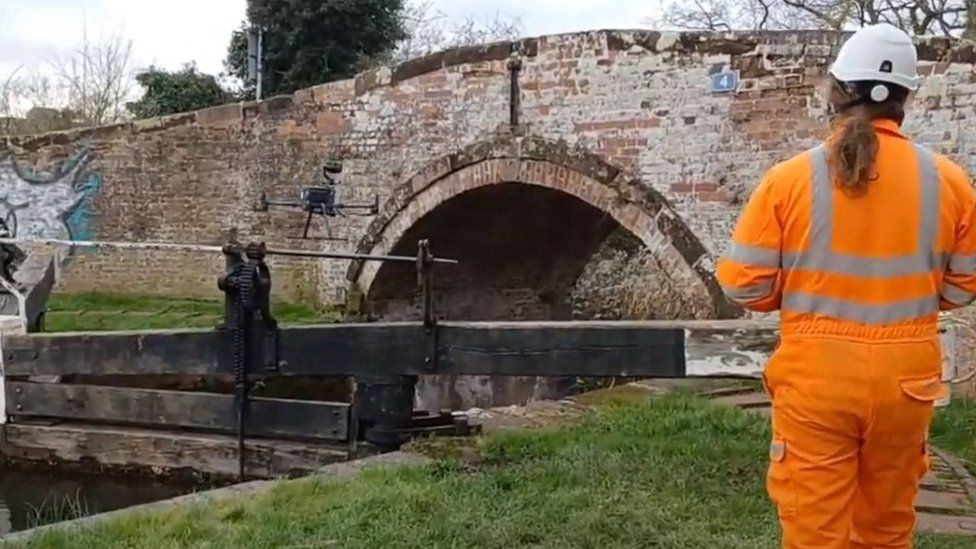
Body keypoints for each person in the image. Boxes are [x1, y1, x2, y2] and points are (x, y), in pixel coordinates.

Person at [717, 23, 976, 548]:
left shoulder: (789, 179)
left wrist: (789, 295)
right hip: (908, 380)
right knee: (886, 528)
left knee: (815, 531)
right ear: (904, 97)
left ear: (835, 90)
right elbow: (964, 286)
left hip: (818, 380)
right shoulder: (948, 181)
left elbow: (743, 285)